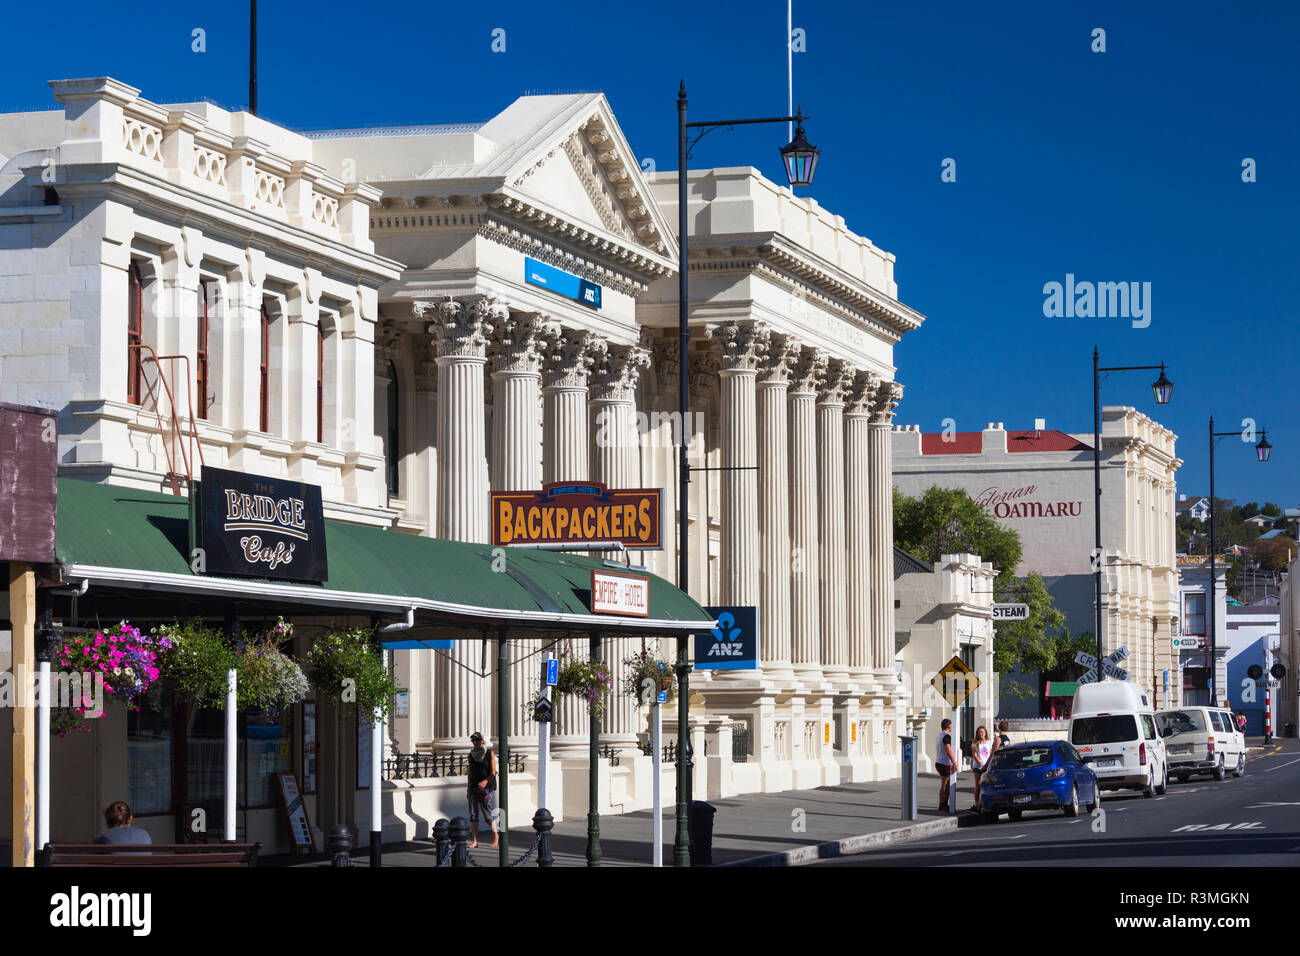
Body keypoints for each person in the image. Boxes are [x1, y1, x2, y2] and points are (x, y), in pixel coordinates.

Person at [466, 731, 498, 849]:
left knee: (488, 815)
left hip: (486, 788)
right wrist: (468, 789)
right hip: (473, 787)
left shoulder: (490, 753)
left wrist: (485, 782)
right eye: (473, 740)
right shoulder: (471, 755)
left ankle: (495, 836)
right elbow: (469, 772)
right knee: (473, 815)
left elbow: (493, 772)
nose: (475, 742)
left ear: (482, 741)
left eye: (477, 740)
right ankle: (475, 841)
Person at [935, 718, 957, 812]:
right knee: (945, 784)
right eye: (951, 725)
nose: (952, 727)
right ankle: (943, 804)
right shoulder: (946, 736)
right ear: (949, 726)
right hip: (944, 762)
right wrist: (954, 762)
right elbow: (948, 749)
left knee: (945, 783)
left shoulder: (940, 735)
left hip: (939, 761)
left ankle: (943, 804)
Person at [970, 726, 993, 810]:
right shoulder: (975, 743)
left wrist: (987, 765)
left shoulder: (990, 742)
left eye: (982, 732)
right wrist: (981, 764)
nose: (981, 734)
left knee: (986, 784)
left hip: (987, 766)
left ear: (985, 733)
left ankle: (983, 802)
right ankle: (977, 804)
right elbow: (975, 755)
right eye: (979, 732)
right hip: (978, 766)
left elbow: (991, 754)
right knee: (978, 785)